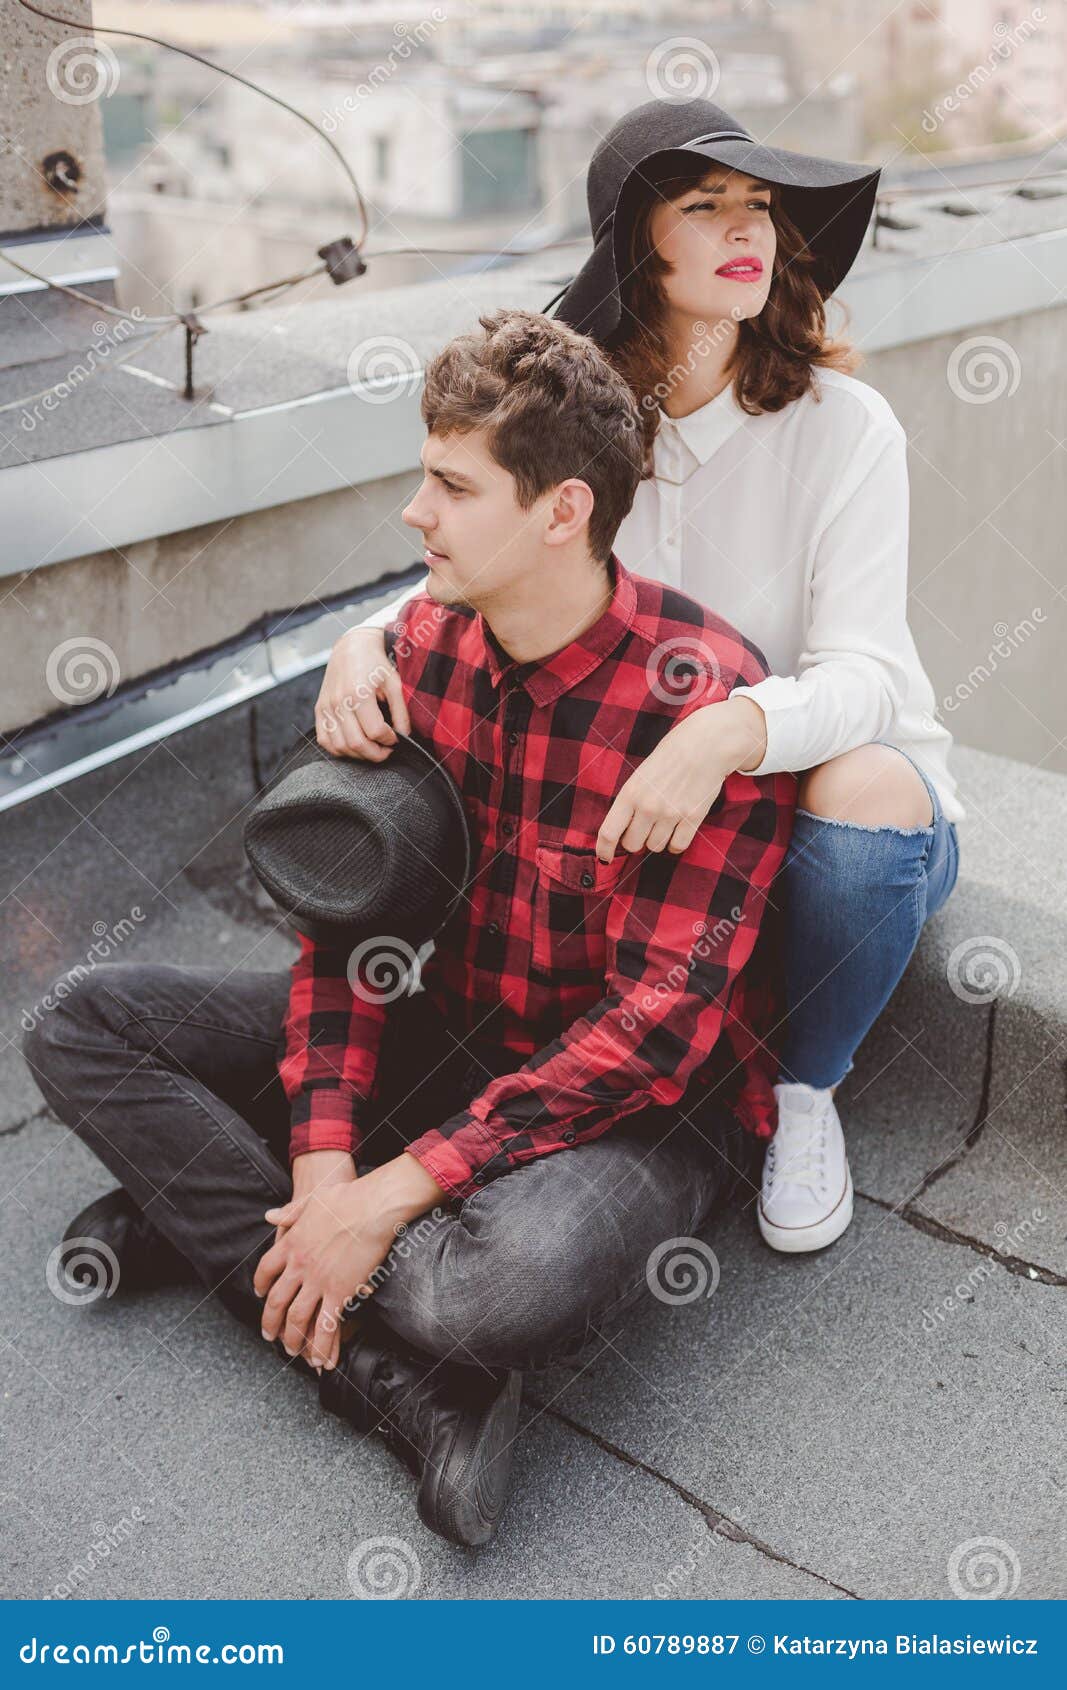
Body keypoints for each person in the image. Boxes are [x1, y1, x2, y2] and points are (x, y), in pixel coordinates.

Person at [23, 309, 795, 1550]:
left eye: (448, 483)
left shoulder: (698, 701)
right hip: (457, 1030)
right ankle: (389, 1378)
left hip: (642, 1112)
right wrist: (327, 1165)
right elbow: (347, 931)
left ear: (560, 512)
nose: (411, 512)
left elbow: (653, 1033)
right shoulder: (418, 655)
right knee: (81, 1024)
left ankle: (209, 1221)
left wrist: (390, 1191)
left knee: (496, 1288)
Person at [316, 98, 962, 1256]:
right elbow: (510, 559)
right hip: (671, 845)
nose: (745, 228)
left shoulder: (844, 427)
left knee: (861, 785)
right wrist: (363, 636)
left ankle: (804, 1093)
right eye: (703, 205)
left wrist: (722, 731)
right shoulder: (596, 423)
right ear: (634, 247)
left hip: (835, 824)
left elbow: (866, 676)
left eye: (759, 205)